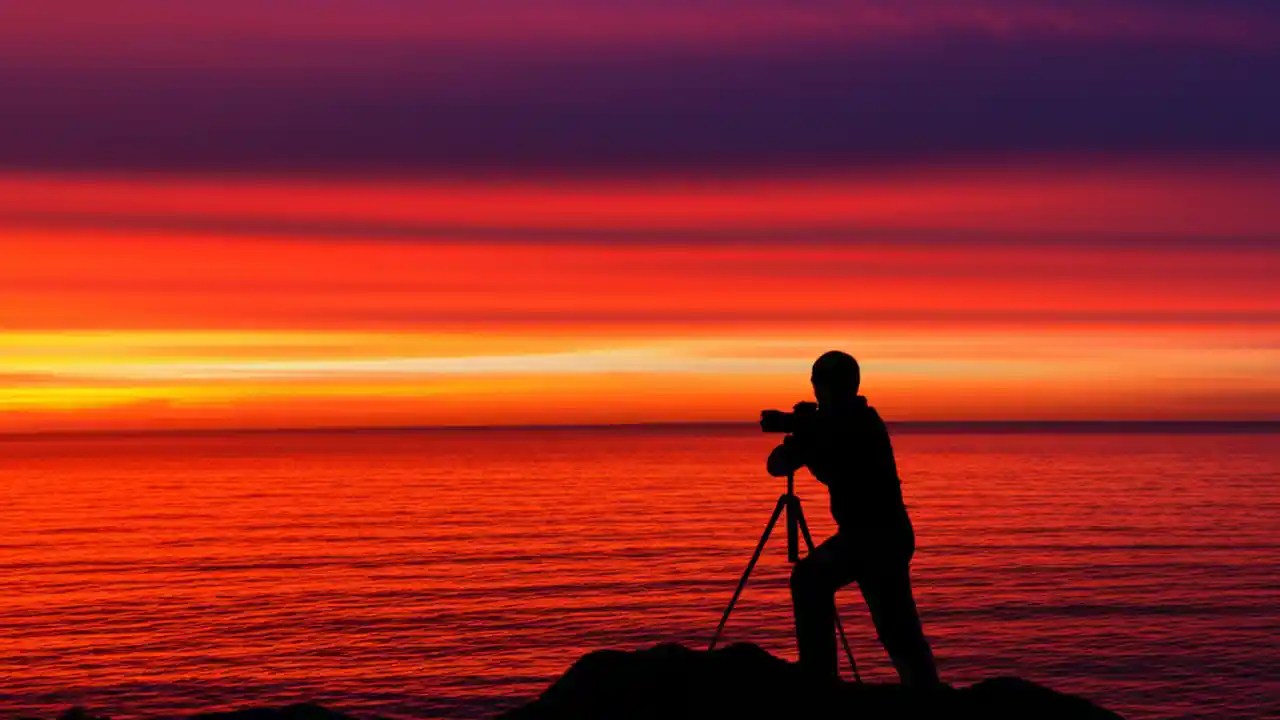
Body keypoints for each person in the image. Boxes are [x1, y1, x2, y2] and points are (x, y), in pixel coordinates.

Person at [767, 350, 939, 686]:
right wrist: (803, 428)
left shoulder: (849, 425)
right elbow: (795, 455)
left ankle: (820, 677)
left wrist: (800, 429)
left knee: (811, 581)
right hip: (878, 535)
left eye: (822, 384)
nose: (819, 390)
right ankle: (923, 689)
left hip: (872, 537)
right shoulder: (856, 420)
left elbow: (781, 463)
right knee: (896, 627)